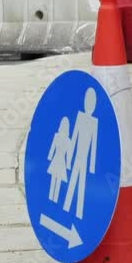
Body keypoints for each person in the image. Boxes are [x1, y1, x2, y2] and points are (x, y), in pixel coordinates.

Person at [63, 87, 99, 219]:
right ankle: (68, 205)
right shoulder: (80, 118)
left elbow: (94, 145)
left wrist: (92, 165)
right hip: (78, 156)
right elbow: (74, 139)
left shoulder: (94, 122)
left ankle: (78, 210)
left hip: (84, 157)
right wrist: (69, 158)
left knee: (81, 184)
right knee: (73, 180)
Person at [46, 117, 71, 203]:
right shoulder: (68, 141)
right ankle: (54, 200)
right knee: (57, 182)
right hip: (61, 162)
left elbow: (52, 149)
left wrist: (49, 157)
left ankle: (51, 198)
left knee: (54, 180)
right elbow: (68, 156)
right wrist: (68, 165)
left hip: (56, 160)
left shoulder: (57, 136)